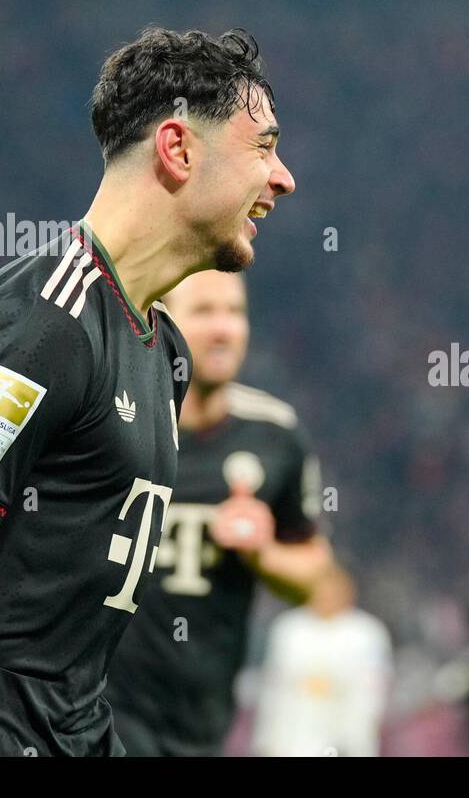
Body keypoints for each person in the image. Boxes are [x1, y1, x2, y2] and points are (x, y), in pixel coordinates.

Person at [0, 27, 295, 756]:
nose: (283, 178)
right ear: (178, 148)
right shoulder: (44, 327)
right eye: (263, 146)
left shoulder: (161, 350)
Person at [107, 270, 334, 756]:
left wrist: (264, 552)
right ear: (163, 321)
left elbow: (313, 575)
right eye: (206, 311)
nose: (224, 329)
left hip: (201, 724)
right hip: (96, 712)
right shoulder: (110, 417)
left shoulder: (276, 435)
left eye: (235, 312)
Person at [253, 569, 392, 757]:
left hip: (342, 735)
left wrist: (353, 739)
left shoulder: (366, 633)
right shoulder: (289, 629)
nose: (327, 597)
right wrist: (266, 739)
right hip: (292, 736)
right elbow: (273, 687)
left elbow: (370, 693)